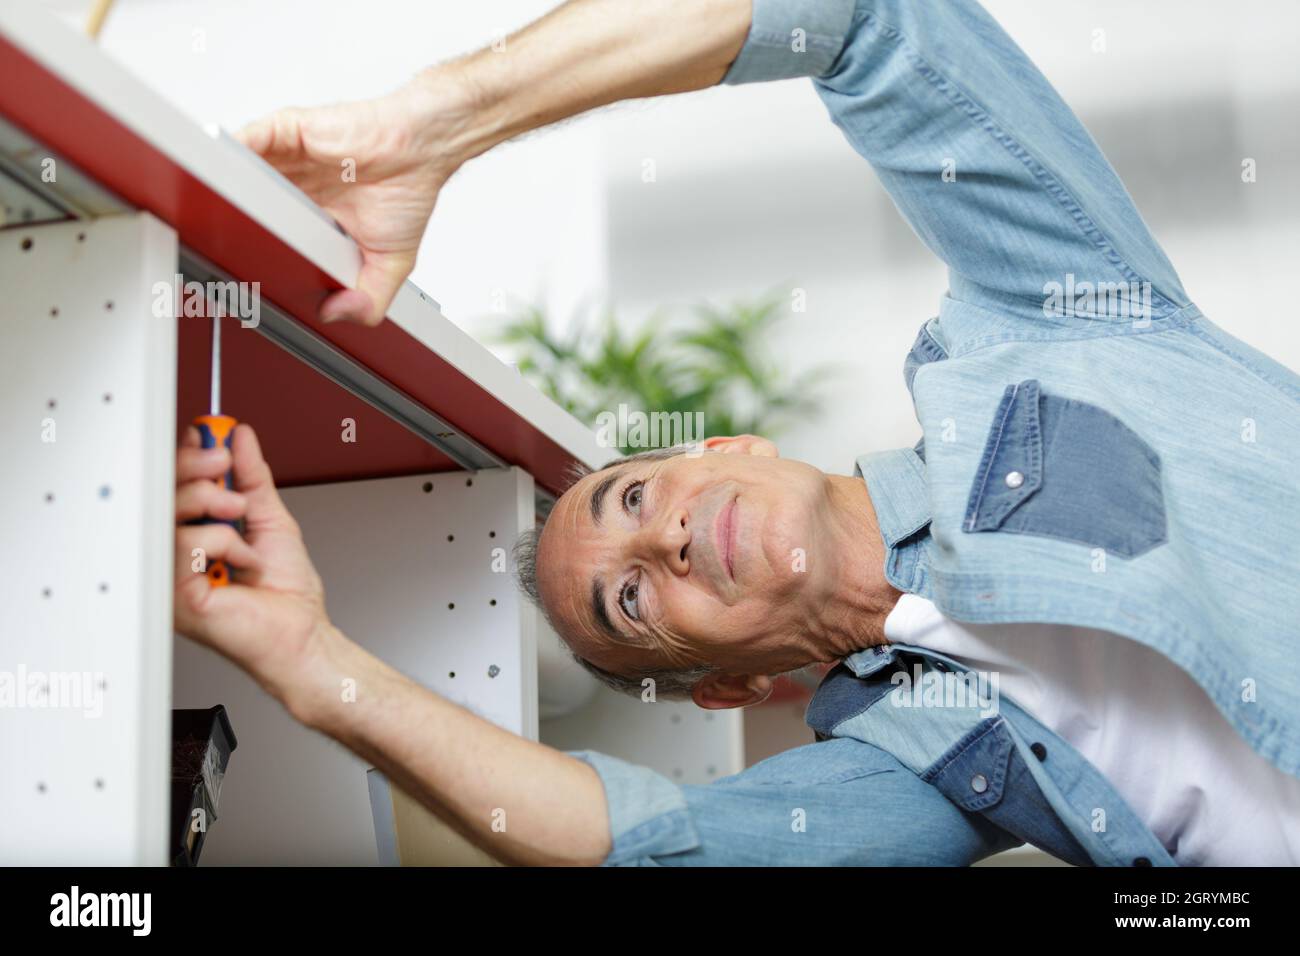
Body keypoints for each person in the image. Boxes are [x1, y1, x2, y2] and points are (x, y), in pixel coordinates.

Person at [176, 0, 1300, 865]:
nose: (655, 543)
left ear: (724, 452)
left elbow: (865, 19)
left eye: (626, 497)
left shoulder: (1042, 331)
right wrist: (313, 669)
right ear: (723, 687)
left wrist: (434, 125)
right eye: (627, 600)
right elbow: (640, 843)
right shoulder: (918, 766)